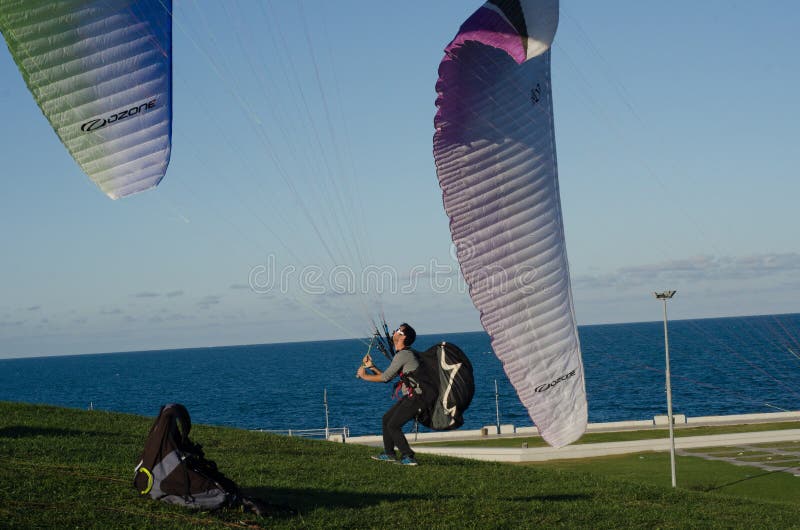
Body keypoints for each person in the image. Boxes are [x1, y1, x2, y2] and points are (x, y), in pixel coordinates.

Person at [356, 322, 430, 466]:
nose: (395, 331)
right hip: (412, 396)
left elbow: (385, 378)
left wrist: (365, 376)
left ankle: (408, 456)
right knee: (386, 419)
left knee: (393, 426)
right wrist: (372, 367)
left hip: (417, 398)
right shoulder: (405, 354)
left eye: (398, 331)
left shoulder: (403, 355)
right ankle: (389, 453)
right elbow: (389, 376)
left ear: (403, 338)